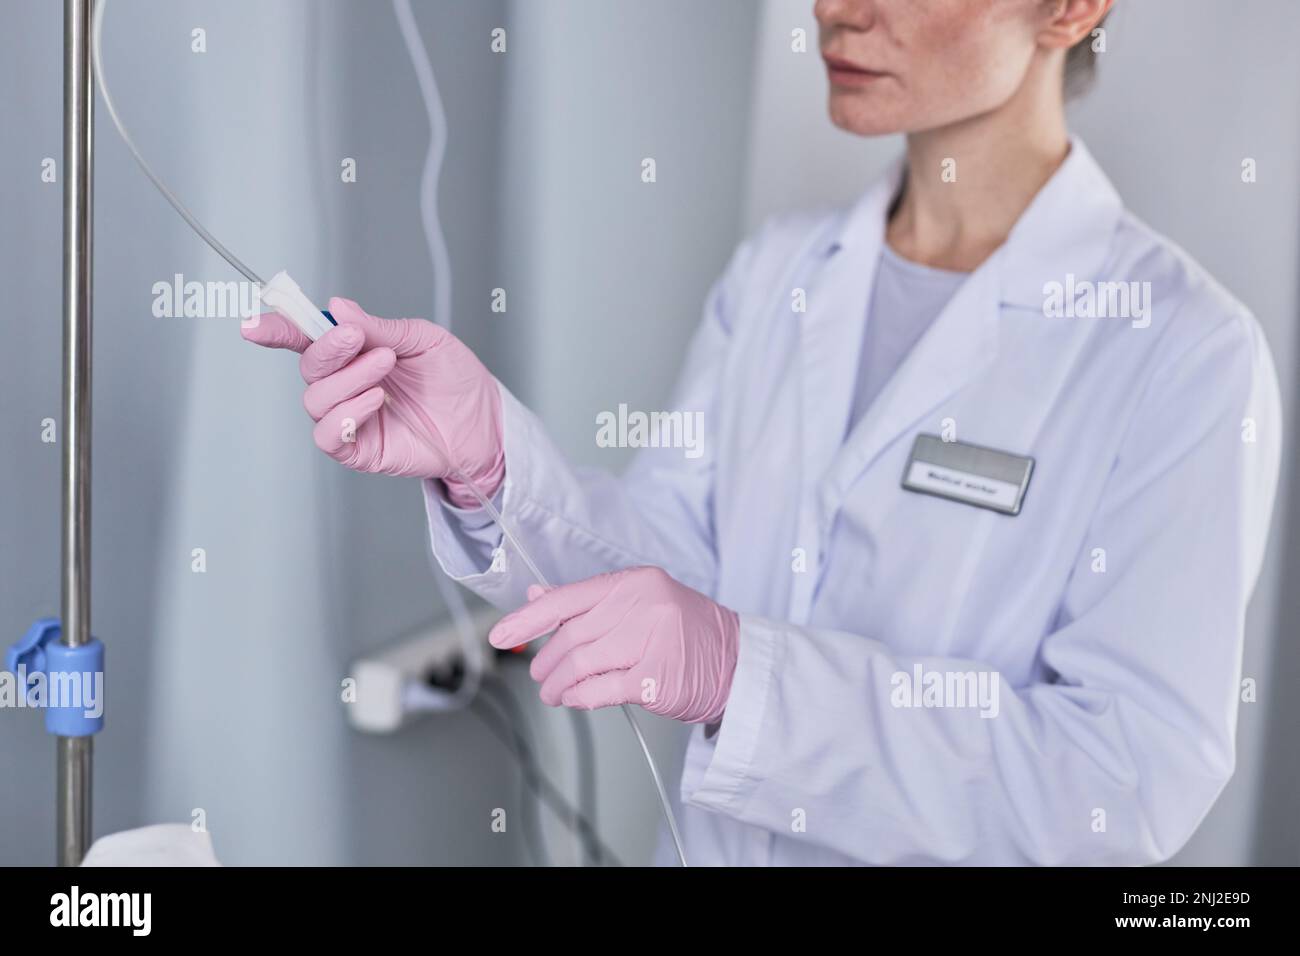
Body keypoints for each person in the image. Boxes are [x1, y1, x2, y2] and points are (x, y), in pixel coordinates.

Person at [245, 0, 1282, 866]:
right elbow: (667, 563)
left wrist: (744, 674)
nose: (837, 8)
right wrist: (491, 465)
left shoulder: (1184, 352)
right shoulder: (783, 272)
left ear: (1069, 9)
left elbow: (1115, 784)